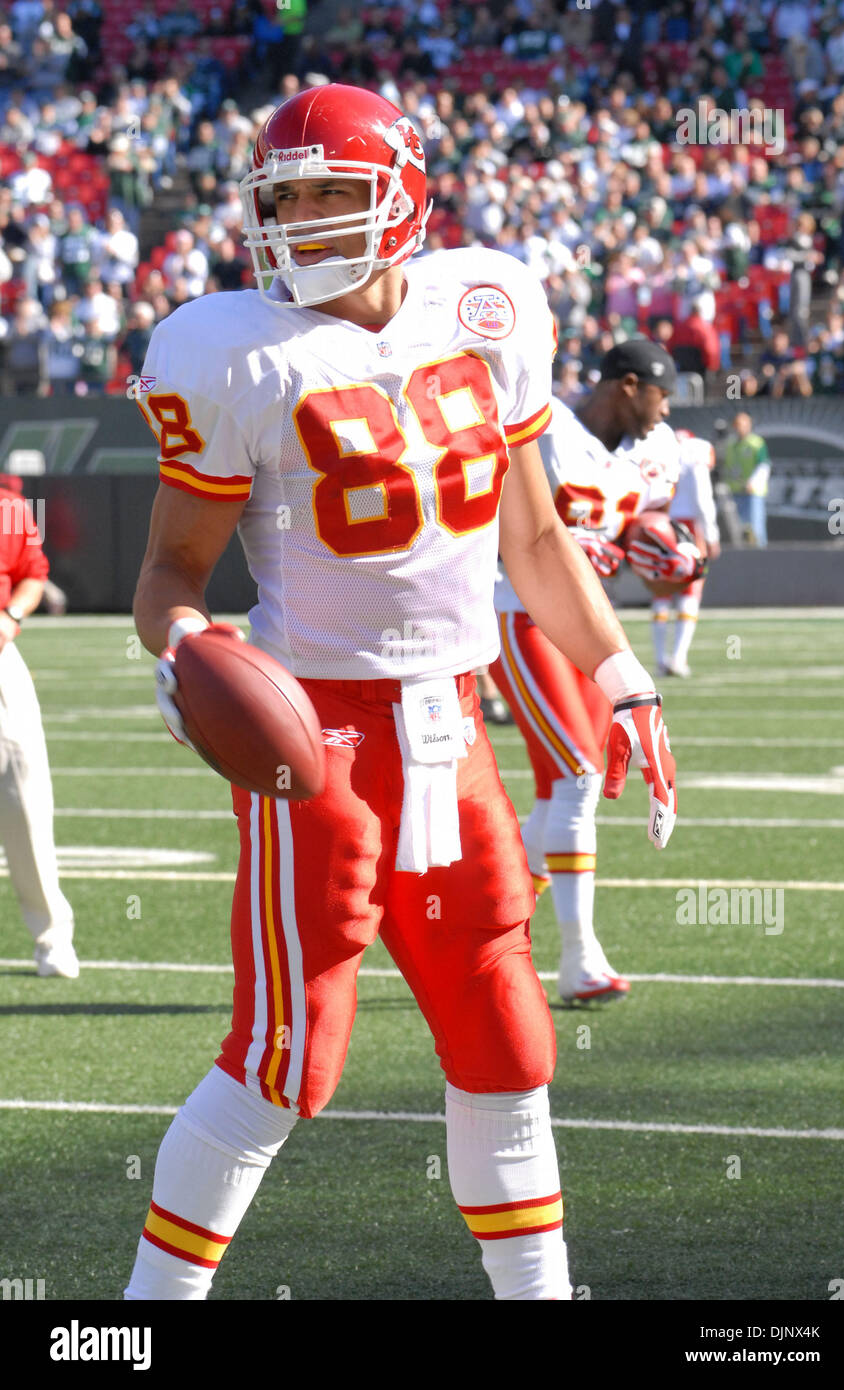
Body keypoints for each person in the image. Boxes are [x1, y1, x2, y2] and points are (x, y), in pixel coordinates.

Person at [125, 85, 678, 1303]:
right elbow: (171, 568)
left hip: (453, 723)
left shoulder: (485, 303)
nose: (305, 222)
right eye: (286, 199)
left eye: (333, 194)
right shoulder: (235, 348)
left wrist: (624, 676)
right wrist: (181, 651)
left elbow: (535, 542)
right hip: (312, 734)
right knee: (287, 1055)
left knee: (506, 1031)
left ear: (405, 196)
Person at [491, 345, 700, 1006]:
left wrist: (660, 545)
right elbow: (499, 518)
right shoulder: (542, 424)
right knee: (579, 777)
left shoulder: (655, 448)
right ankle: (580, 959)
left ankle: (487, 927)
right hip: (521, 611)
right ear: (629, 387)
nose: (666, 411)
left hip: (585, 621)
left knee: (562, 792)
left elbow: (638, 520)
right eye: (660, 396)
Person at [0, 473, 78, 978]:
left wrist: (10, 615)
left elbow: (32, 571)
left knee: (25, 798)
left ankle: (52, 935)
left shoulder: (7, 507)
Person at [649, 430, 720, 679]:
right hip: (688, 526)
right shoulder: (696, 451)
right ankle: (678, 658)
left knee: (661, 592)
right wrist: (711, 534)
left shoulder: (657, 449)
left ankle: (660, 660)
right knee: (691, 591)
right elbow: (703, 497)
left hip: (659, 524)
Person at [724, 412, 771, 547]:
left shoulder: (756, 443)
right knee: (738, 530)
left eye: (744, 425)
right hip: (735, 492)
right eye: (737, 425)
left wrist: (753, 483)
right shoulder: (730, 445)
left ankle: (761, 556)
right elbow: (728, 467)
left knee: (755, 528)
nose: (740, 428)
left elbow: (764, 465)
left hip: (753, 493)